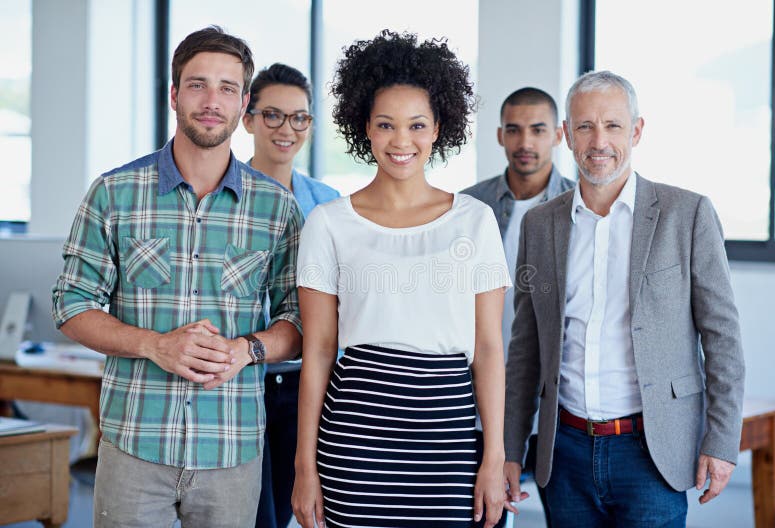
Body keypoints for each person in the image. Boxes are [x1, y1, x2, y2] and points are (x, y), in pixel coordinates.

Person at [51, 26, 303, 528]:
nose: (212, 101)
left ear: (244, 103)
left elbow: (298, 321)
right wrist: (153, 345)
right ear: (173, 94)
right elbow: (71, 305)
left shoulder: (277, 208)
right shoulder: (114, 193)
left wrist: (246, 350)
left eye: (227, 88)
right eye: (197, 85)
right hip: (134, 444)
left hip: (232, 449)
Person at [503, 70, 746, 527]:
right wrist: (510, 450)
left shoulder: (687, 214)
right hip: (565, 452)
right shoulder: (539, 225)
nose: (599, 141)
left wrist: (720, 441)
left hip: (651, 452)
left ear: (636, 131)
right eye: (585, 126)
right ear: (566, 136)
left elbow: (723, 338)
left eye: (613, 125)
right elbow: (525, 350)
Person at [291, 30, 511, 528]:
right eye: (386, 125)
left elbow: (490, 347)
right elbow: (320, 351)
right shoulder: (328, 223)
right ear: (364, 127)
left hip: (448, 434)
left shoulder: (474, 221)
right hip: (356, 439)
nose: (401, 140)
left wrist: (493, 456)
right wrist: (306, 466)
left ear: (438, 128)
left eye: (416, 125)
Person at [462, 87, 574, 526]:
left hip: (554, 398)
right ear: (499, 135)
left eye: (538, 130)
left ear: (558, 135)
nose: (525, 142)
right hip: (476, 392)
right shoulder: (468, 206)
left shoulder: (580, 207)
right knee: (483, 514)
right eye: (514, 130)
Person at [243, 62, 339, 528]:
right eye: (273, 116)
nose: (287, 129)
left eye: (299, 117)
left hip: (307, 383)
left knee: (293, 510)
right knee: (252, 514)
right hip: (246, 380)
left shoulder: (327, 201)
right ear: (248, 118)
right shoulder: (228, 195)